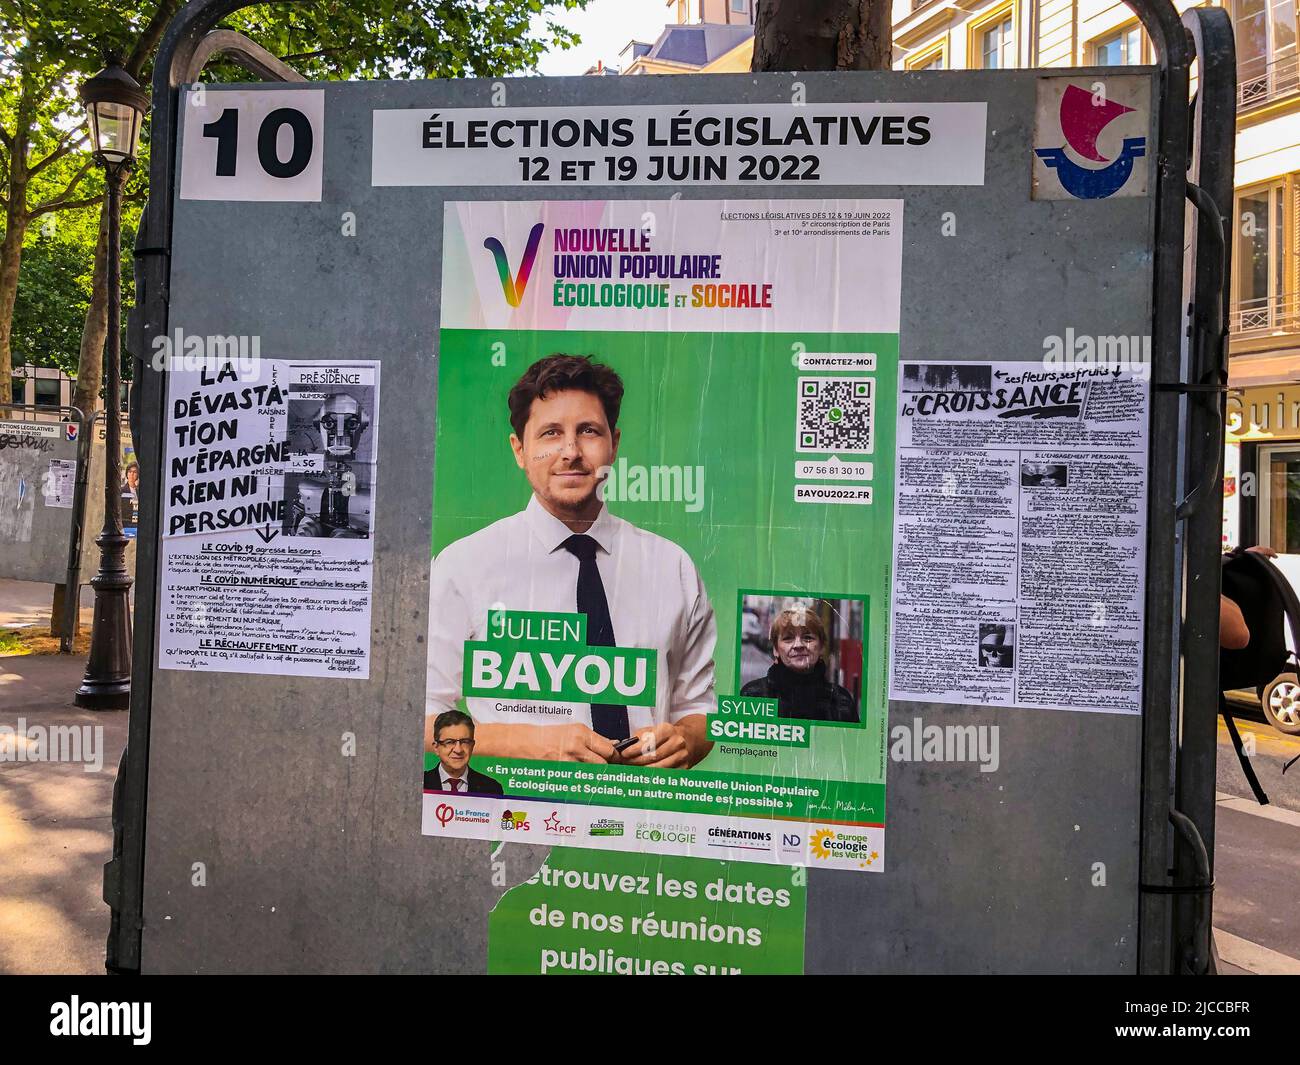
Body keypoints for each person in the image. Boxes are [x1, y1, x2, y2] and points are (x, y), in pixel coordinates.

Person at [425, 354, 716, 769]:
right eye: (550, 434)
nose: (571, 452)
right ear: (520, 450)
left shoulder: (673, 567)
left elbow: (700, 708)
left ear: (614, 443)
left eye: (589, 432)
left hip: (646, 822)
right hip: (521, 817)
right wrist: (531, 744)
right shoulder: (463, 567)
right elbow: (423, 716)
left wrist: (686, 738)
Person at [739, 605, 858, 723]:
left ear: (821, 647)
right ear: (776, 649)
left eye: (807, 638)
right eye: (788, 638)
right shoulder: (753, 695)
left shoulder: (841, 702)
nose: (798, 645)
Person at [424, 710, 503, 795]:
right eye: (450, 742)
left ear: (472, 746)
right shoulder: (420, 782)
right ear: (436, 747)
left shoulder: (492, 788)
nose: (458, 750)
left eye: (465, 742)